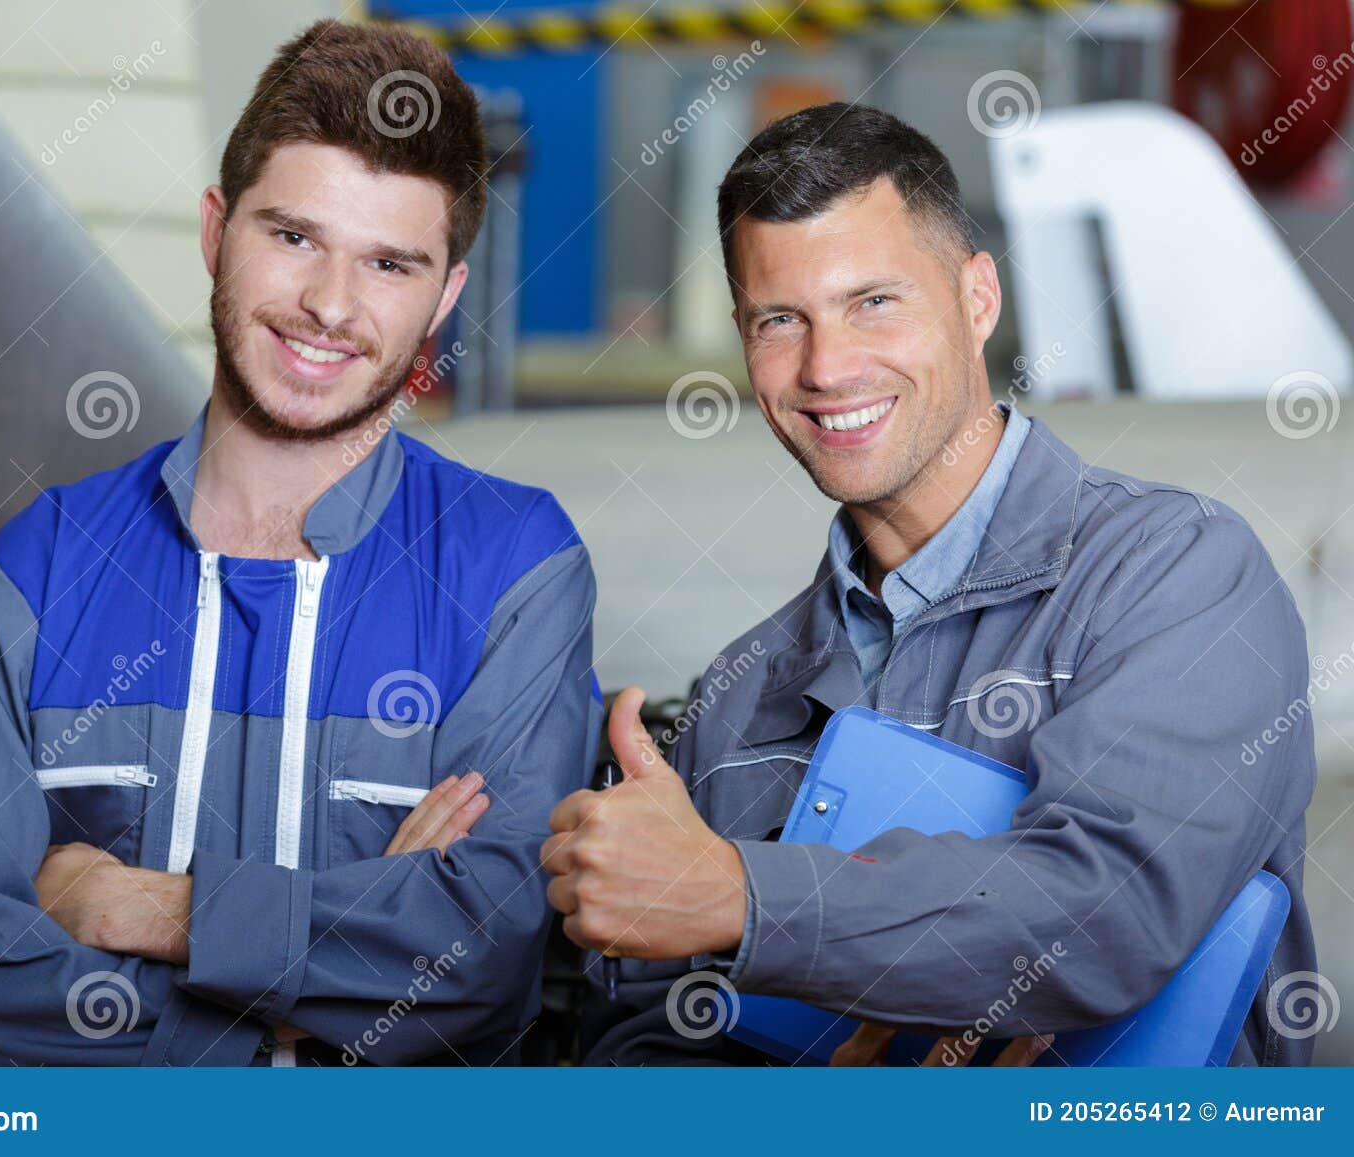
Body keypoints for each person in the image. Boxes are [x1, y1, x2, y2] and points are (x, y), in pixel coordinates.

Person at [543, 103, 1317, 1066]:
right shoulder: (739, 702)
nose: (827, 367)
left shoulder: (1176, 575)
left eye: (875, 301)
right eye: (781, 320)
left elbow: (1109, 912)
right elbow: (646, 1044)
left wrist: (741, 894)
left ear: (978, 297)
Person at [0, 19, 598, 1067]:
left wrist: (144, 908)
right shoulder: (39, 566)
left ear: (445, 294)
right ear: (217, 229)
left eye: (390, 264)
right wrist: (298, 1015)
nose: (330, 304)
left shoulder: (516, 572)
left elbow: (471, 971)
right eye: (292, 236)